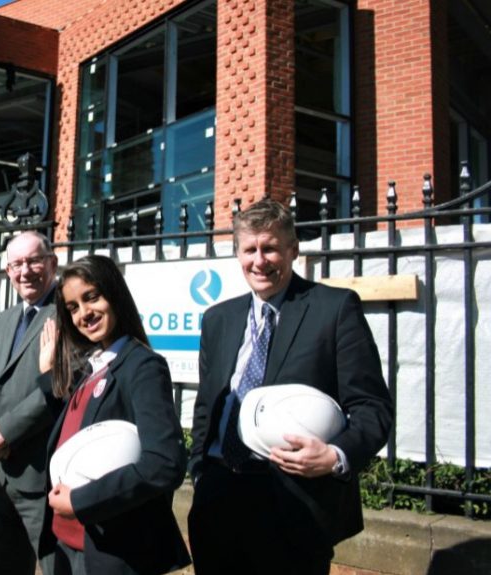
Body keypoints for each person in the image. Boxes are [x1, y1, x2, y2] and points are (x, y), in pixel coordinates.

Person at [188, 198, 394, 574]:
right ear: (237, 253)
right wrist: (200, 471)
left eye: (270, 248)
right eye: (250, 249)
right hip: (217, 500)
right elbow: (207, 405)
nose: (260, 260)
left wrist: (335, 456)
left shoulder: (334, 309)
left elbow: (372, 407)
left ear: (293, 250)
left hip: (293, 506)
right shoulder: (218, 319)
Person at [39, 255, 190, 574]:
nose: (84, 313)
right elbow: (75, 431)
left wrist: (80, 500)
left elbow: (164, 465)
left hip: (110, 553)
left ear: (114, 294)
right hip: (65, 546)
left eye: (92, 297)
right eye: (73, 307)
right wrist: (47, 374)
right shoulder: (92, 366)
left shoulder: (143, 366)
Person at [0, 231, 60, 575]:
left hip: (42, 477)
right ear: (7, 271)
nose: (26, 271)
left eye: (34, 260)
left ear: (52, 263)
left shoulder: (67, 312)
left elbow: (61, 384)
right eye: (17, 264)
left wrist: (4, 432)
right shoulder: (4, 319)